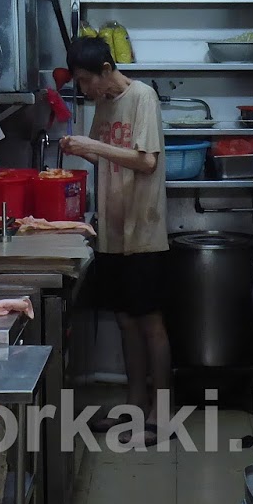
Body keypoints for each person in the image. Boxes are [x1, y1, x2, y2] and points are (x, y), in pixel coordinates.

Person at [60, 37, 169, 434]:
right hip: (112, 226)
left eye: (86, 80)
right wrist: (80, 148)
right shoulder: (103, 103)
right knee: (125, 319)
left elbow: (146, 161)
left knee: (150, 321)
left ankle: (162, 412)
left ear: (106, 69)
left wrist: (93, 145)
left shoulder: (142, 97)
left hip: (144, 226)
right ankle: (135, 404)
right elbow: (104, 153)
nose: (84, 88)